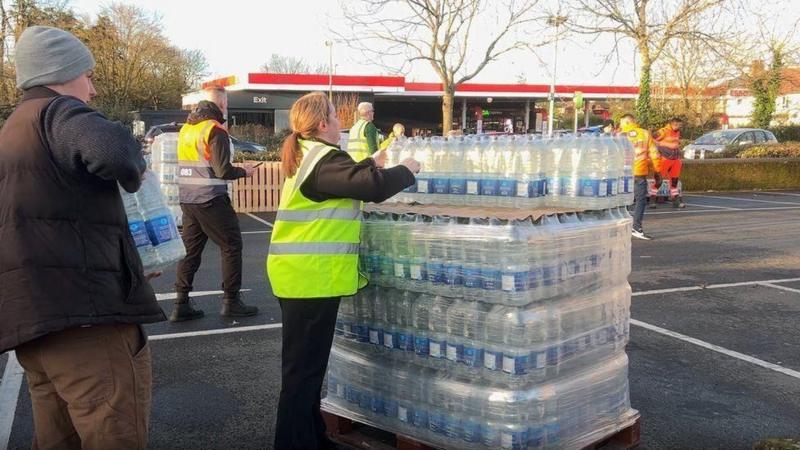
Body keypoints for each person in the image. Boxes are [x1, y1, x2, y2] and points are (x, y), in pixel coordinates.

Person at [0, 26, 165, 448]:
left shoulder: (12, 130)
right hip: (87, 321)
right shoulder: (57, 113)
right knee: (114, 435)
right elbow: (115, 152)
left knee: (57, 440)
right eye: (87, 76)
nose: (92, 90)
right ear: (59, 72)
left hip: (35, 322)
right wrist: (135, 165)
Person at [267, 92, 420, 450]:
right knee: (302, 374)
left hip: (303, 276)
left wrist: (370, 161)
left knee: (308, 371)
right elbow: (371, 187)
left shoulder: (308, 153)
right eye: (336, 116)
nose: (341, 123)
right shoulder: (323, 158)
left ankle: (312, 438)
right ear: (323, 124)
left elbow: (346, 179)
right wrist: (406, 170)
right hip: (309, 279)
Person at [171, 87, 259, 321]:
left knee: (190, 252)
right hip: (211, 198)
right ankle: (231, 302)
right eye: (226, 103)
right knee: (231, 246)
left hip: (188, 198)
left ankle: (181, 304)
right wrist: (245, 171)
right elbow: (223, 171)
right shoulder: (215, 130)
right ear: (221, 104)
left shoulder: (187, 129)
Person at [619, 113, 662, 240]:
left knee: (622, 200)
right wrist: (657, 171)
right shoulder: (645, 134)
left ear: (627, 122)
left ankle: (620, 227)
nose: (621, 126)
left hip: (622, 173)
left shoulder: (620, 135)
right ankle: (636, 227)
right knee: (640, 200)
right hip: (639, 172)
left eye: (622, 123)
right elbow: (654, 154)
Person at [653, 117, 685, 208]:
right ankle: (652, 199)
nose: (680, 127)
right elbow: (651, 139)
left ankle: (675, 200)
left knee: (674, 181)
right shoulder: (663, 131)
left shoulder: (677, 132)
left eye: (680, 125)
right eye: (678, 125)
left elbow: (675, 143)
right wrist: (664, 144)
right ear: (673, 124)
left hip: (675, 159)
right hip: (665, 158)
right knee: (659, 180)